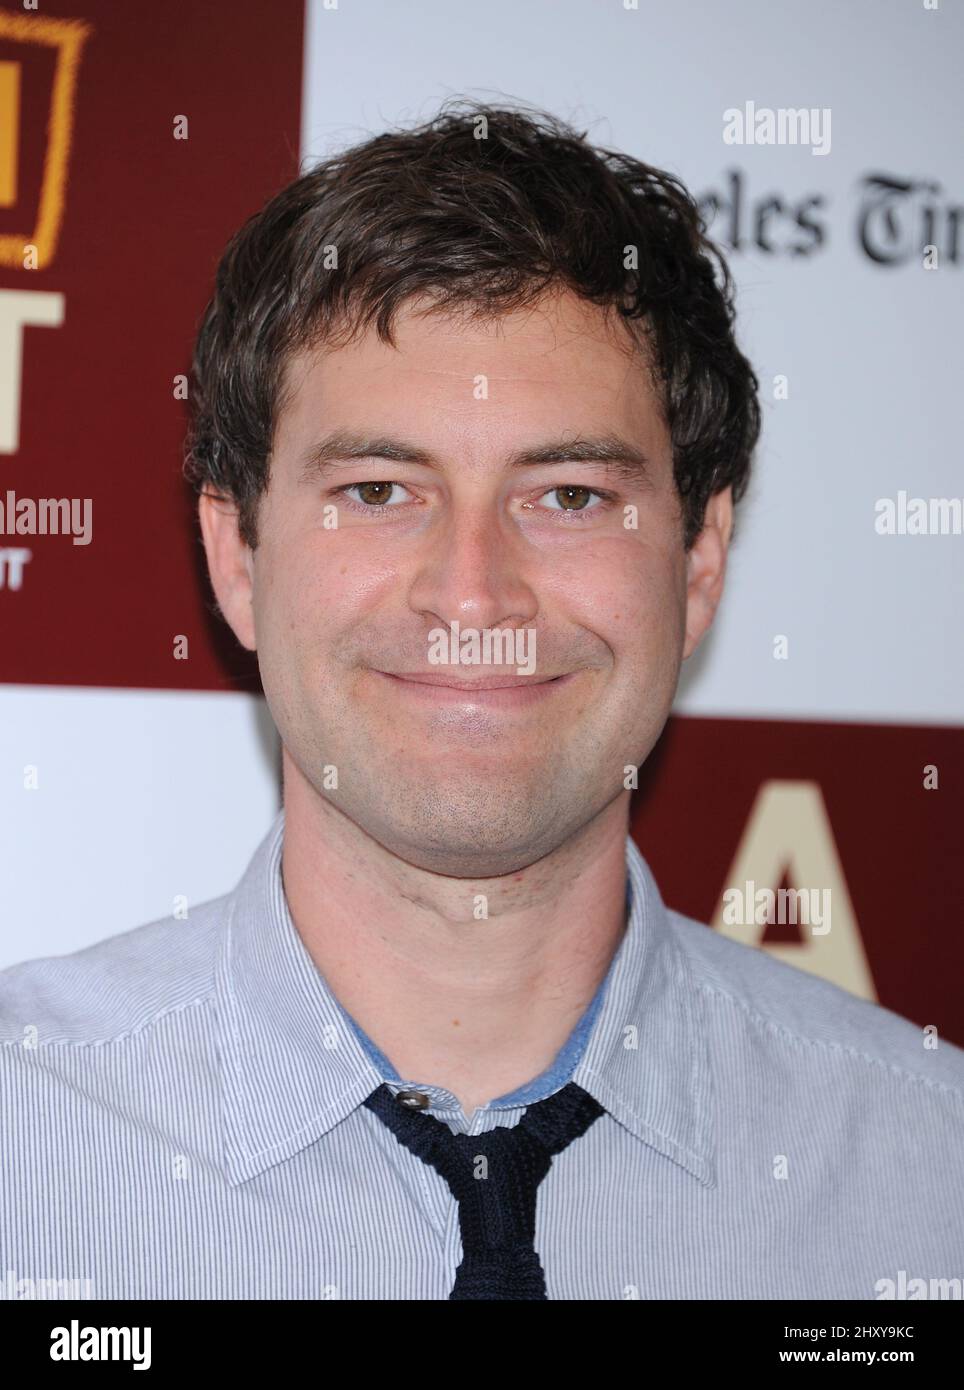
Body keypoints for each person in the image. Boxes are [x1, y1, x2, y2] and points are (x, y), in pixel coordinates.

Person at [1, 100, 961, 1302]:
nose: (473, 594)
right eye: (376, 489)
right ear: (237, 560)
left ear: (699, 559)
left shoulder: (931, 1177)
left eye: (564, 495)